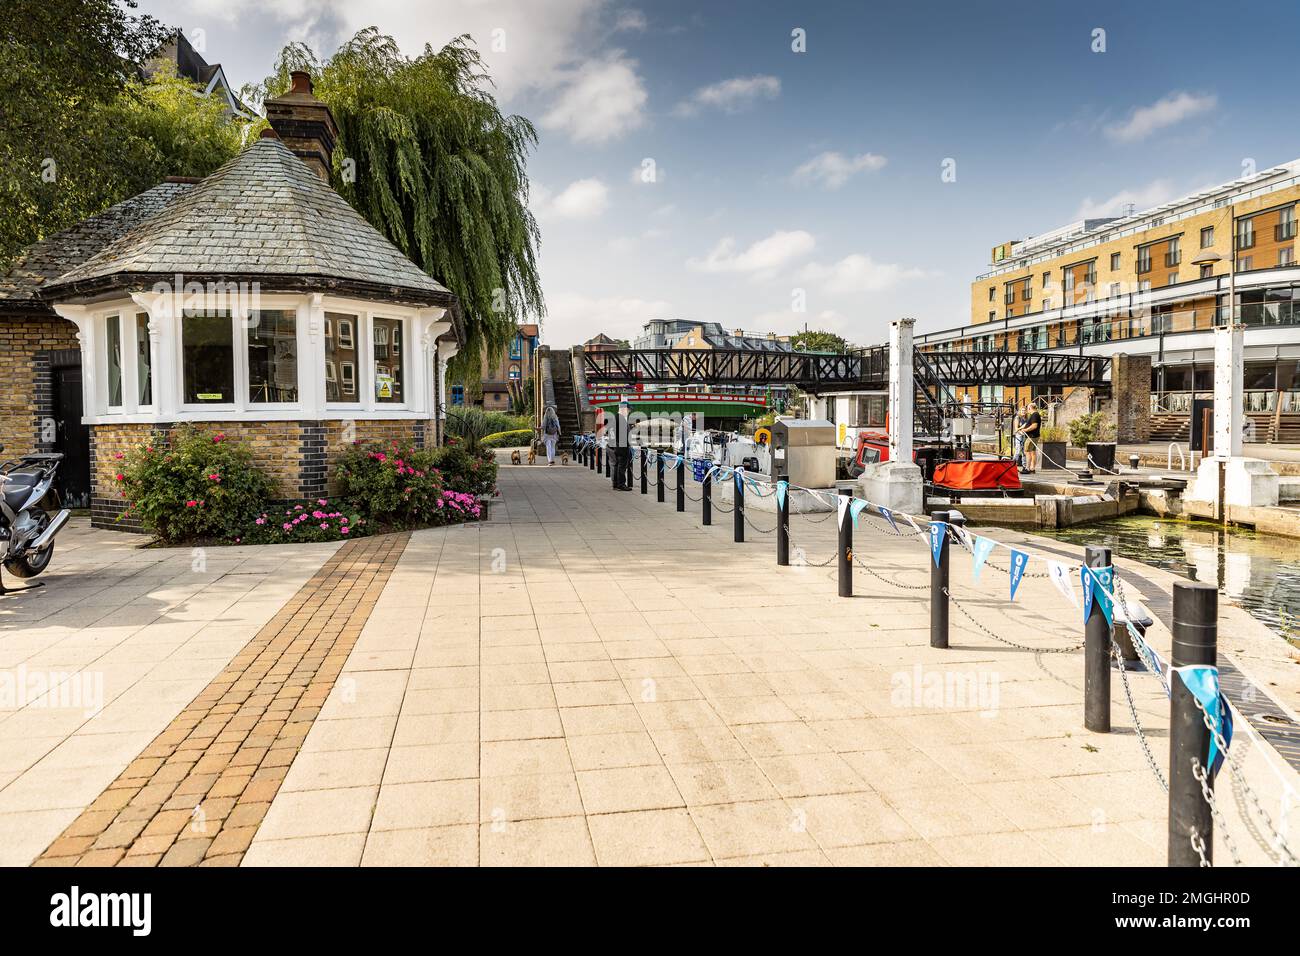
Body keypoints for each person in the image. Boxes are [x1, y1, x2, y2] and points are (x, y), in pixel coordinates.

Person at [612, 397, 633, 489]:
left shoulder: (616, 417)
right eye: (628, 409)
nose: (629, 411)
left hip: (617, 445)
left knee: (617, 465)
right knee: (622, 466)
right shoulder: (621, 419)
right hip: (622, 446)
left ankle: (616, 484)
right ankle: (621, 484)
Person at [1022, 402, 1042, 473]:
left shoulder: (1034, 415)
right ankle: (1032, 468)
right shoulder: (1036, 414)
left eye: (1028, 409)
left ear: (1030, 408)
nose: (1028, 410)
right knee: (1033, 452)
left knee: (1027, 451)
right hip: (1035, 436)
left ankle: (1027, 468)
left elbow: (1034, 426)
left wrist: (1025, 430)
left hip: (1031, 436)